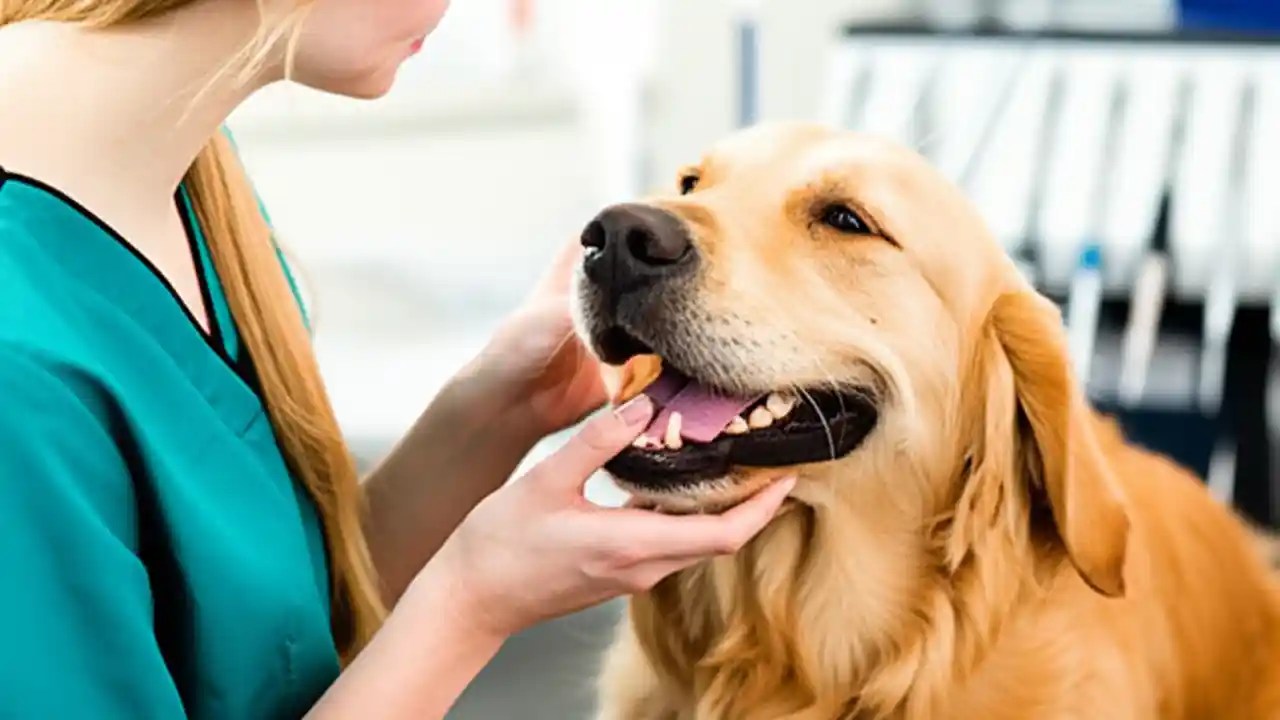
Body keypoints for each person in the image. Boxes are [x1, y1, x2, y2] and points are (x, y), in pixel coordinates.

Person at [0, 1, 796, 717]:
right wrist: (472, 603)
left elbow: (266, 648)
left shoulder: (170, 166)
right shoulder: (21, 373)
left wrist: (500, 405)